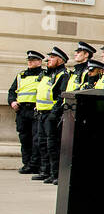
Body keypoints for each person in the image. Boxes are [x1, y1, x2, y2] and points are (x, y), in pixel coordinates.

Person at [33, 46, 71, 184]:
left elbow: (61, 96)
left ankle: (56, 174)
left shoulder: (63, 75)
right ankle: (46, 171)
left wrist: (54, 113)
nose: (48, 59)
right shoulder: (48, 74)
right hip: (41, 113)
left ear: (60, 60)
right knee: (42, 143)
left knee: (52, 145)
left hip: (51, 114)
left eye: (52, 57)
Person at [8, 50, 44, 174]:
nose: (30, 62)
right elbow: (12, 91)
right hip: (22, 111)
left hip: (35, 110)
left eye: (33, 60)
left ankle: (35, 164)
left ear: (39, 62)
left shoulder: (44, 75)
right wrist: (12, 102)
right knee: (24, 138)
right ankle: (27, 163)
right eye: (29, 60)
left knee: (36, 139)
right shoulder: (21, 75)